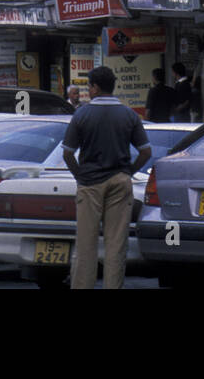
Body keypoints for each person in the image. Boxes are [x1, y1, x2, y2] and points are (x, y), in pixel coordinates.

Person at [61, 65, 151, 290]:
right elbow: (146, 152)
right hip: (120, 181)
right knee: (116, 245)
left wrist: (80, 176)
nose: (87, 91)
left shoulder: (82, 114)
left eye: (89, 86)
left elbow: (68, 153)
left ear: (95, 87)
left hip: (90, 183)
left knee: (86, 246)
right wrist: (128, 171)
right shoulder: (129, 115)